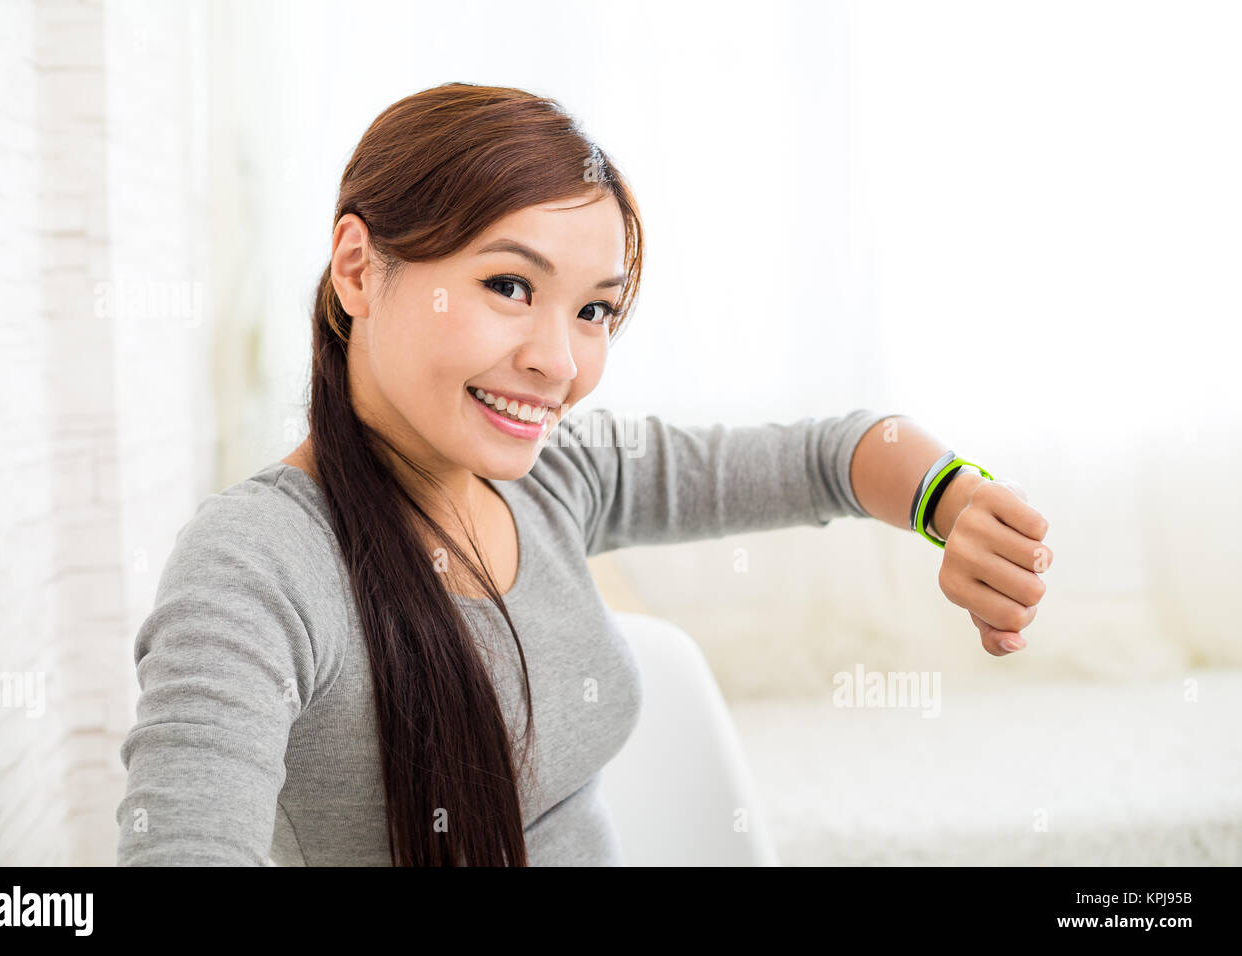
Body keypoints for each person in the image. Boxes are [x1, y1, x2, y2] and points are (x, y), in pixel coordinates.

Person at [115, 81, 1053, 866]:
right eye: (510, 287)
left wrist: (953, 499)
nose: (560, 364)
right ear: (359, 271)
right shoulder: (253, 567)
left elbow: (834, 455)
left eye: (595, 309)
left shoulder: (554, 479)